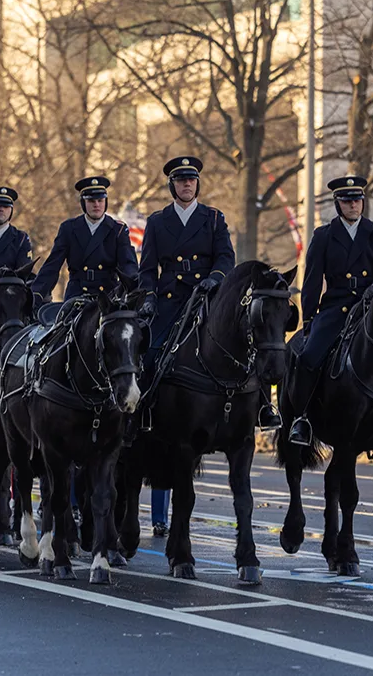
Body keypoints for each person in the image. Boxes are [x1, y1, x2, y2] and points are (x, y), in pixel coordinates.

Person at [137, 156, 237, 537]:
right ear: (172, 186)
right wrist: (147, 296)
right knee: (148, 355)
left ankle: (260, 406)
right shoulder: (158, 222)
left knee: (241, 346)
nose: (187, 186)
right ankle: (139, 412)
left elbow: (226, 256)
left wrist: (215, 277)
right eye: (180, 181)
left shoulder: (213, 219)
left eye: (192, 180)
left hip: (206, 297)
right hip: (169, 299)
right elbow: (147, 267)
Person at [285, 176, 373, 446]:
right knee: (309, 357)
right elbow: (311, 281)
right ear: (338, 204)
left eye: (357, 200)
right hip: (336, 307)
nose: (353, 206)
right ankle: (303, 418)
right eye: (347, 201)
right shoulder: (323, 236)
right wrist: (309, 319)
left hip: (370, 310)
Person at [32, 176, 140, 304]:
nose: (97, 205)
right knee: (60, 323)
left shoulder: (118, 230)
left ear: (106, 202)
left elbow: (128, 264)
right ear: (83, 203)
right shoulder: (69, 228)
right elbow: (53, 264)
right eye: (91, 201)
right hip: (77, 294)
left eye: (100, 200)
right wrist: (36, 293)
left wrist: (133, 286)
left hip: (109, 295)